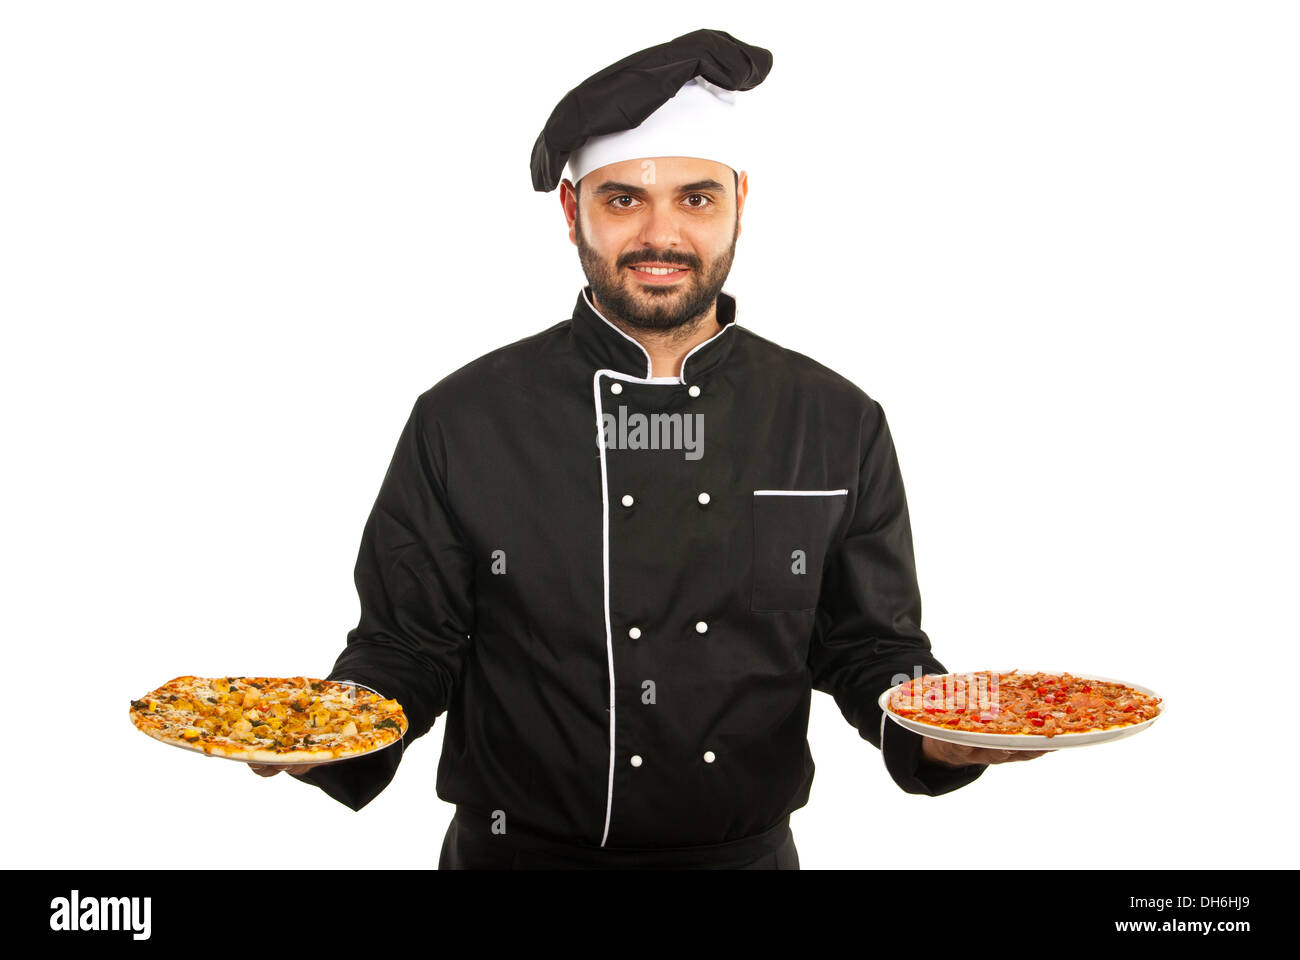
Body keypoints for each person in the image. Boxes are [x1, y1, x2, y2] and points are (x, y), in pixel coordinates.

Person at [251, 28, 1046, 869]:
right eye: (623, 199)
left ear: (741, 199)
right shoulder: (464, 417)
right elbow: (408, 646)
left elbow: (870, 648)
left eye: (696, 199)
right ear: (572, 213)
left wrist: (932, 731)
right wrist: (333, 731)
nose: (660, 236)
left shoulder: (835, 420)